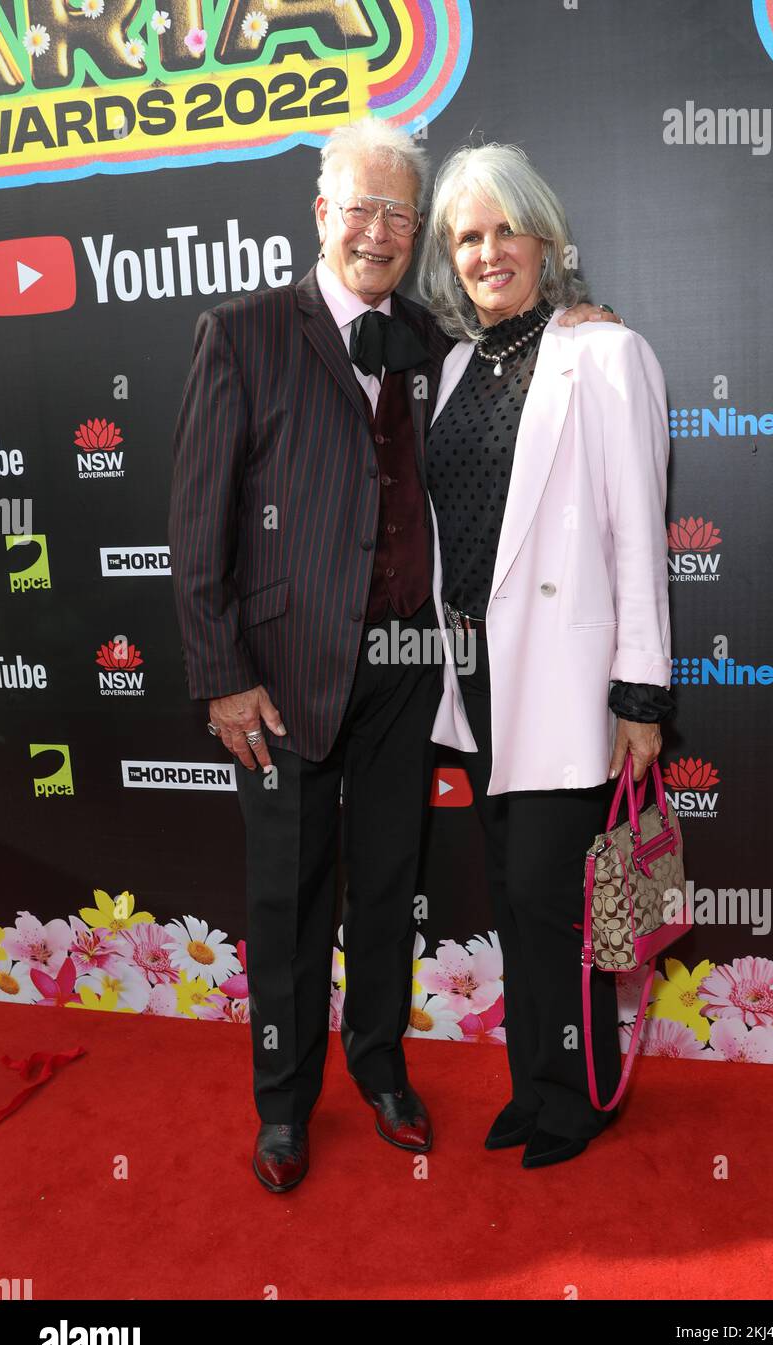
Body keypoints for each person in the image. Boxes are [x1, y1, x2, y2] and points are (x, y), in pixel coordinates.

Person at [168, 118, 622, 1193]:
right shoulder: (241, 333)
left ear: (414, 233)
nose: (377, 231)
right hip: (277, 679)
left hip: (406, 671)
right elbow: (197, 524)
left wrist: (578, 318)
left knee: (384, 887)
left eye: (397, 215)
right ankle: (283, 1106)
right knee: (287, 900)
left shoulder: (430, 336)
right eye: (358, 209)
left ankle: (379, 1070)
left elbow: (526, 365)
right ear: (321, 214)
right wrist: (222, 674)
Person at [417, 141, 674, 1168]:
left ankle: (577, 1093)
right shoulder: (446, 370)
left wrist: (639, 692)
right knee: (511, 891)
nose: (486, 253)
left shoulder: (606, 354)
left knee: (549, 895)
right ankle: (533, 1083)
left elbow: (635, 536)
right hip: (475, 674)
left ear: (546, 238)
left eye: (502, 231)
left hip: (568, 677)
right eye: (465, 237)